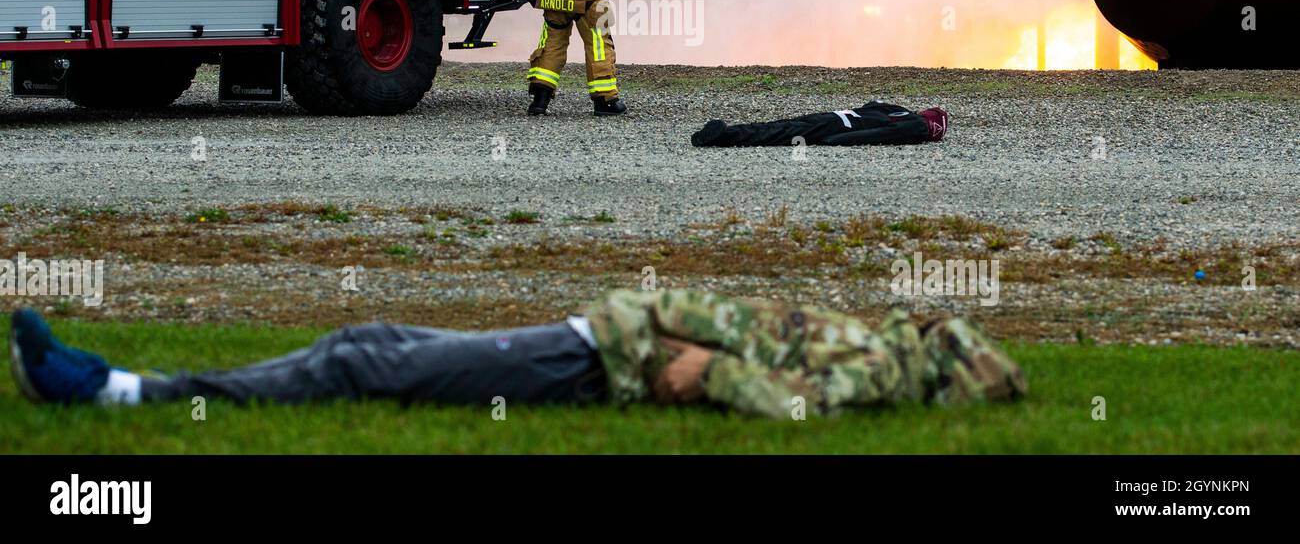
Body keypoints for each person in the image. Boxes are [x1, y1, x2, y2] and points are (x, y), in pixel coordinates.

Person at [8, 289, 1025, 419]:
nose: (929, 314)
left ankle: (115, 393)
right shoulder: (892, 341)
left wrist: (707, 374)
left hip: (588, 364)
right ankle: (121, 383)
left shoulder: (884, 371)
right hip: (596, 336)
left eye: (945, 331)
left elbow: (798, 406)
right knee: (368, 344)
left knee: (367, 366)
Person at [692, 101, 949, 147]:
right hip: (837, 127)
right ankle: (723, 136)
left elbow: (873, 115)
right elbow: (877, 133)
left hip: (837, 119)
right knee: (781, 133)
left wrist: (838, 139)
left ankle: (725, 135)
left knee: (782, 127)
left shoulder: (908, 117)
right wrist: (837, 141)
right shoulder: (912, 124)